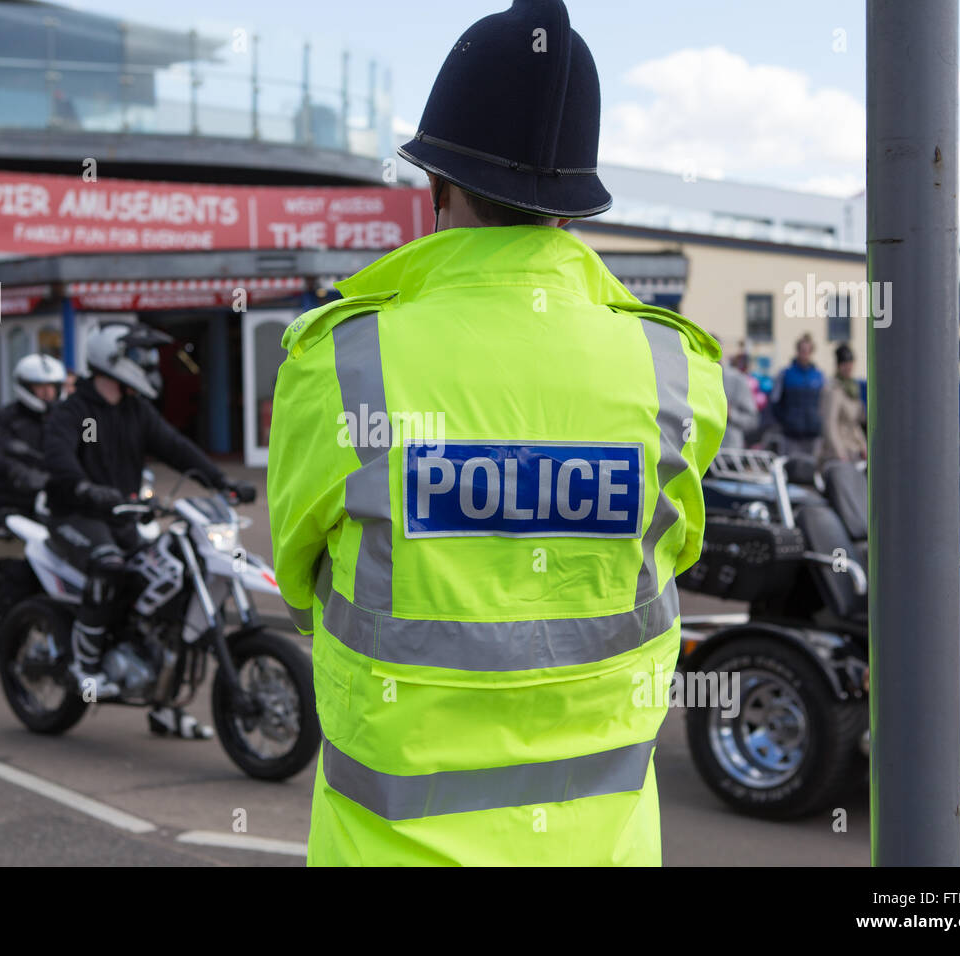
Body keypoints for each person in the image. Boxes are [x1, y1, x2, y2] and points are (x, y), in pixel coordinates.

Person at [268, 0, 725, 867]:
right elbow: (671, 556)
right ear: (575, 207)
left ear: (435, 186)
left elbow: (300, 585)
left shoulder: (344, 362)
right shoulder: (674, 373)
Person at [42, 322, 255, 699]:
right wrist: (83, 487)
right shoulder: (75, 410)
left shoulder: (135, 409)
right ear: (110, 360)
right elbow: (59, 456)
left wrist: (222, 481)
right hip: (77, 515)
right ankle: (85, 666)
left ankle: (163, 703)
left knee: (169, 576)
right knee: (109, 566)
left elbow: (176, 447)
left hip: (124, 517)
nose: (147, 365)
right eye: (138, 358)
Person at [0, 353, 67, 514]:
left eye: (52, 386)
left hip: (57, 496)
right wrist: (29, 478)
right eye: (40, 387)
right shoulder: (6, 417)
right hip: (15, 502)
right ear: (25, 387)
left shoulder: (66, 417)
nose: (48, 393)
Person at [771, 333, 826, 458]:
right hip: (791, 436)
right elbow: (774, 402)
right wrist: (786, 421)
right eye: (802, 350)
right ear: (797, 351)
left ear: (811, 352)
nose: (804, 353)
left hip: (813, 435)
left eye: (807, 351)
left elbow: (824, 404)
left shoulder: (819, 376)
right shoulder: (785, 374)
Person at [819, 342, 866, 464]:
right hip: (839, 454)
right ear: (838, 366)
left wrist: (864, 447)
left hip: (854, 450)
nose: (848, 367)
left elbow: (854, 424)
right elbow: (830, 424)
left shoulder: (853, 388)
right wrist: (840, 453)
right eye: (844, 364)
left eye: (850, 364)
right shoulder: (833, 390)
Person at [718, 339, 759, 449]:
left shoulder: (737, 380)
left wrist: (730, 413)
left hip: (728, 453)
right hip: (697, 453)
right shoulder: (691, 377)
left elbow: (753, 420)